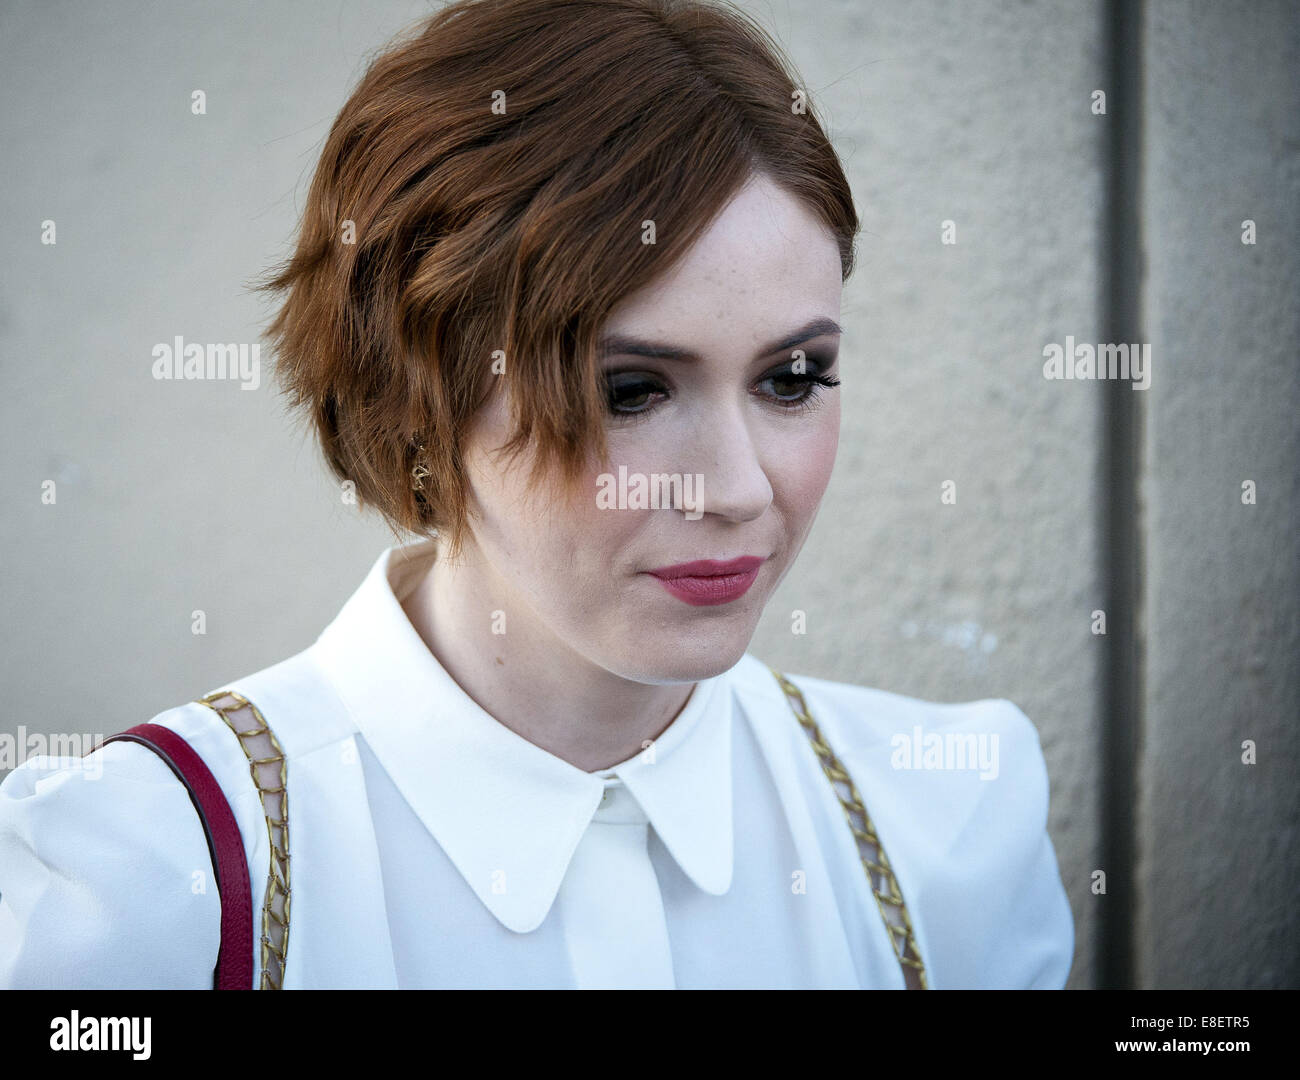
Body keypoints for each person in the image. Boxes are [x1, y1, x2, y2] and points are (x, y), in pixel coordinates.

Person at [0, 0, 1073, 989]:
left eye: (791, 379)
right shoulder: (149, 878)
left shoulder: (941, 825)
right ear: (418, 392)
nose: (741, 489)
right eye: (631, 390)